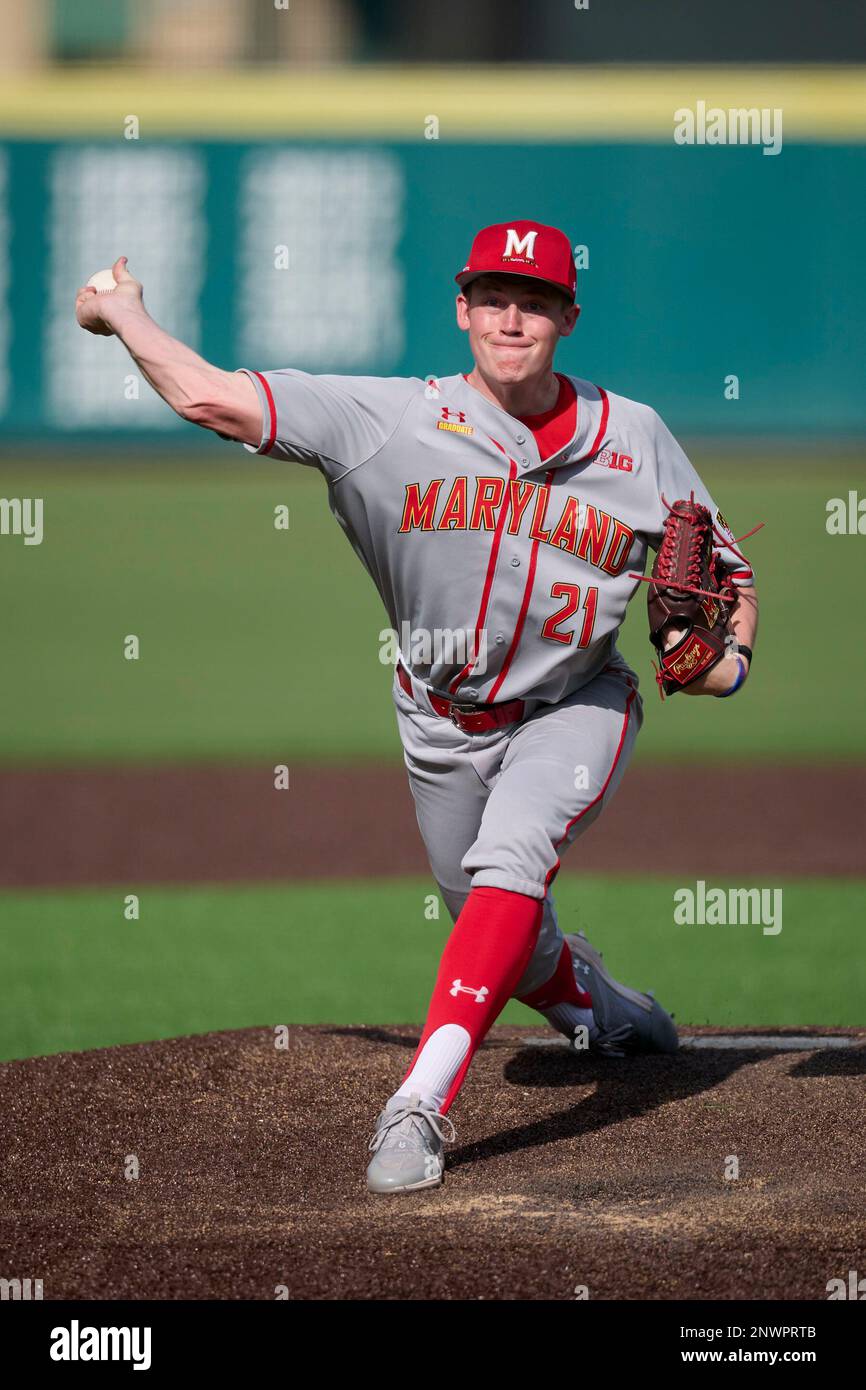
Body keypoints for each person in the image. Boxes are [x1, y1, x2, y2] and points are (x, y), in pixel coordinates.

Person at [76, 220, 758, 1195]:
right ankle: (599, 1007)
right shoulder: (385, 421)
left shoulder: (632, 436)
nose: (509, 318)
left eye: (532, 301)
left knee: (510, 863)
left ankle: (420, 1103)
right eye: (491, 297)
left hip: (573, 705)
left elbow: (727, 580)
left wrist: (724, 663)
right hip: (436, 721)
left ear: (568, 316)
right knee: (492, 919)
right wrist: (125, 310)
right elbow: (207, 395)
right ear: (460, 308)